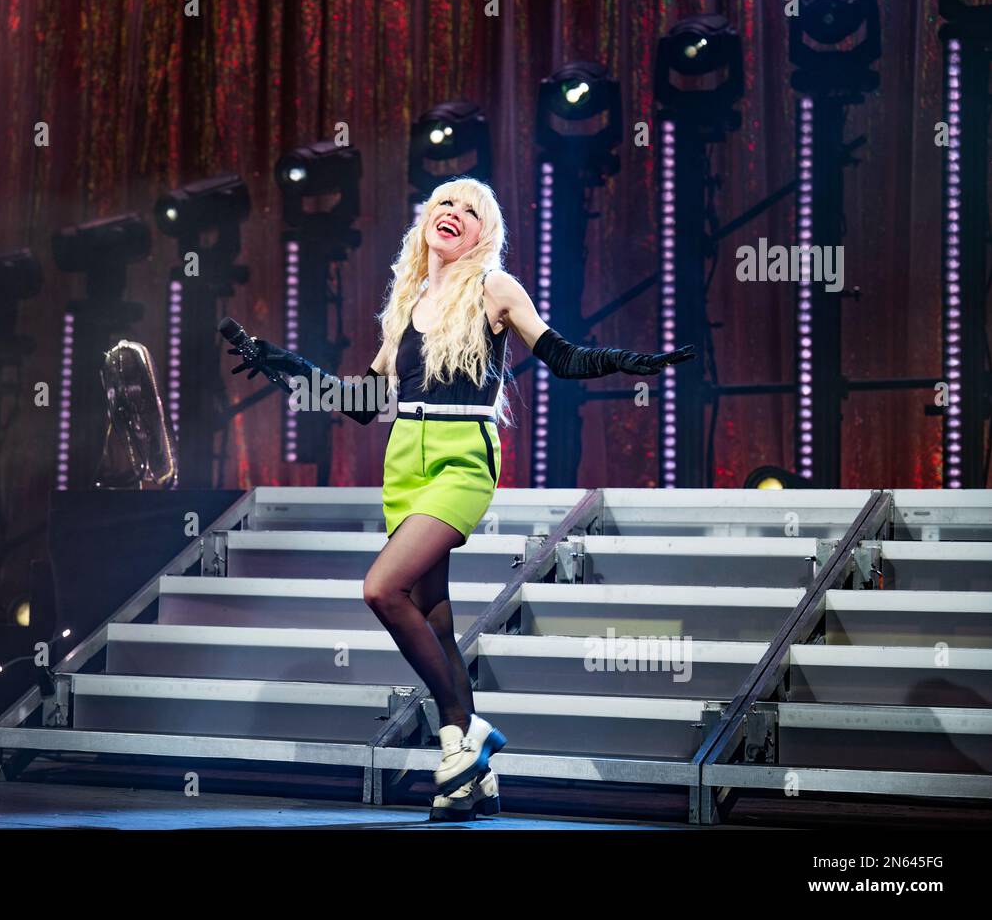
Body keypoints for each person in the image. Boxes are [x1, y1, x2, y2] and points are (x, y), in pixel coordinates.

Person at [227, 177, 694, 820]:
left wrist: (623, 361)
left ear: (484, 235)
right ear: (426, 221)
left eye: (470, 211)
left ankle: (465, 737)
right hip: (405, 465)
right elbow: (361, 404)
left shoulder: (494, 288)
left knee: (380, 590)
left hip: (461, 461)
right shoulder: (409, 302)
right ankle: (468, 765)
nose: (453, 214)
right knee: (436, 619)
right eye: (444, 204)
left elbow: (559, 355)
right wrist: (281, 363)